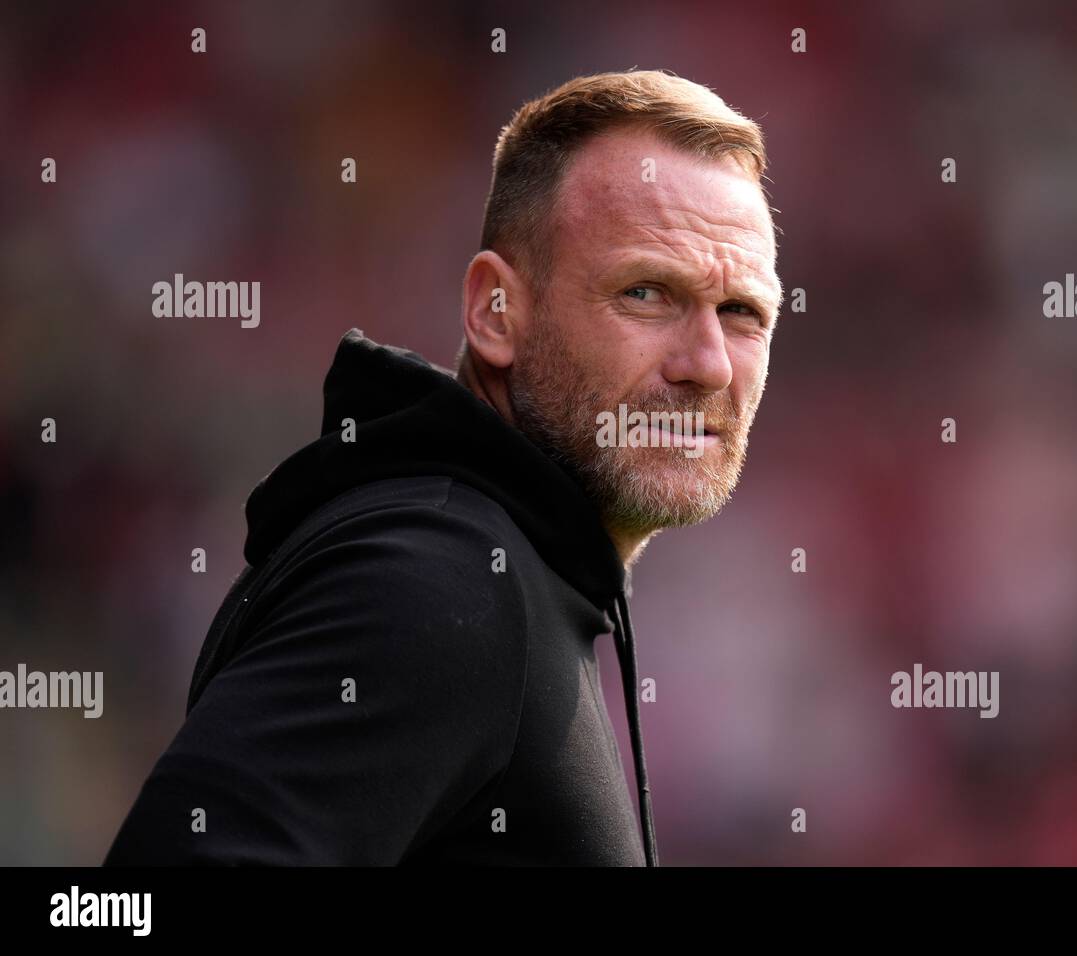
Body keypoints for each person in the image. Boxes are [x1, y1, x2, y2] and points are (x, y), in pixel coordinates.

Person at [104, 68, 784, 866]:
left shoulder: (507, 574)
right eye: (646, 293)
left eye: (742, 313)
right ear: (497, 313)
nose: (708, 364)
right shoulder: (441, 579)